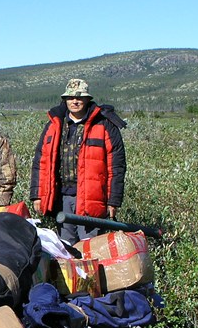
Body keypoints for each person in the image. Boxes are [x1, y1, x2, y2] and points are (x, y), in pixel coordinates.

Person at [29, 78, 126, 244]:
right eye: (70, 97)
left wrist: (113, 201)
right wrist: (37, 195)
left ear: (88, 99)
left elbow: (116, 167)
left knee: (91, 249)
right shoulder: (54, 125)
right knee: (67, 248)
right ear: (65, 100)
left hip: (93, 199)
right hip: (62, 198)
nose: (75, 101)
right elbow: (41, 162)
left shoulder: (105, 125)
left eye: (79, 97)